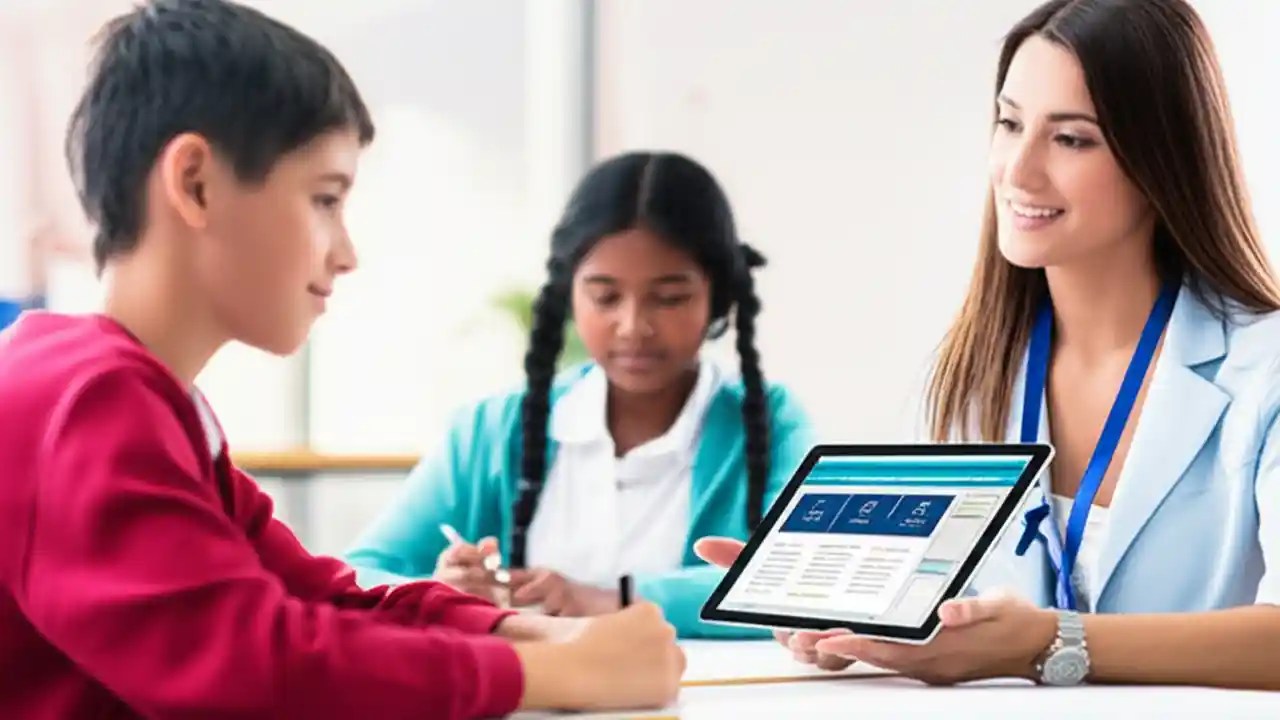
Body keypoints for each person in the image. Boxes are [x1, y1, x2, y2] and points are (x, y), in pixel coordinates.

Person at [0, 1, 684, 718]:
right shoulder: (89, 402)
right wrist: (548, 675)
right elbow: (249, 664)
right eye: (325, 199)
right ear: (196, 183)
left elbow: (315, 596)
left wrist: (528, 631)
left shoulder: (135, 396)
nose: (346, 253)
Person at [696, 0, 1280, 690]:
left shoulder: (1262, 368)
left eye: (1072, 139)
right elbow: (948, 618)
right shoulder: (968, 376)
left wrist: (1046, 642)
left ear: (1163, 158)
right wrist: (863, 625)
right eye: (1009, 124)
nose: (1018, 171)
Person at [345, 151, 815, 638]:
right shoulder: (489, 430)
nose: (634, 326)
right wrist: (438, 593)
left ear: (717, 297)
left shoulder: (769, 421)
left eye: (670, 297)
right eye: (605, 297)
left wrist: (615, 600)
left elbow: (805, 581)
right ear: (570, 292)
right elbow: (357, 575)